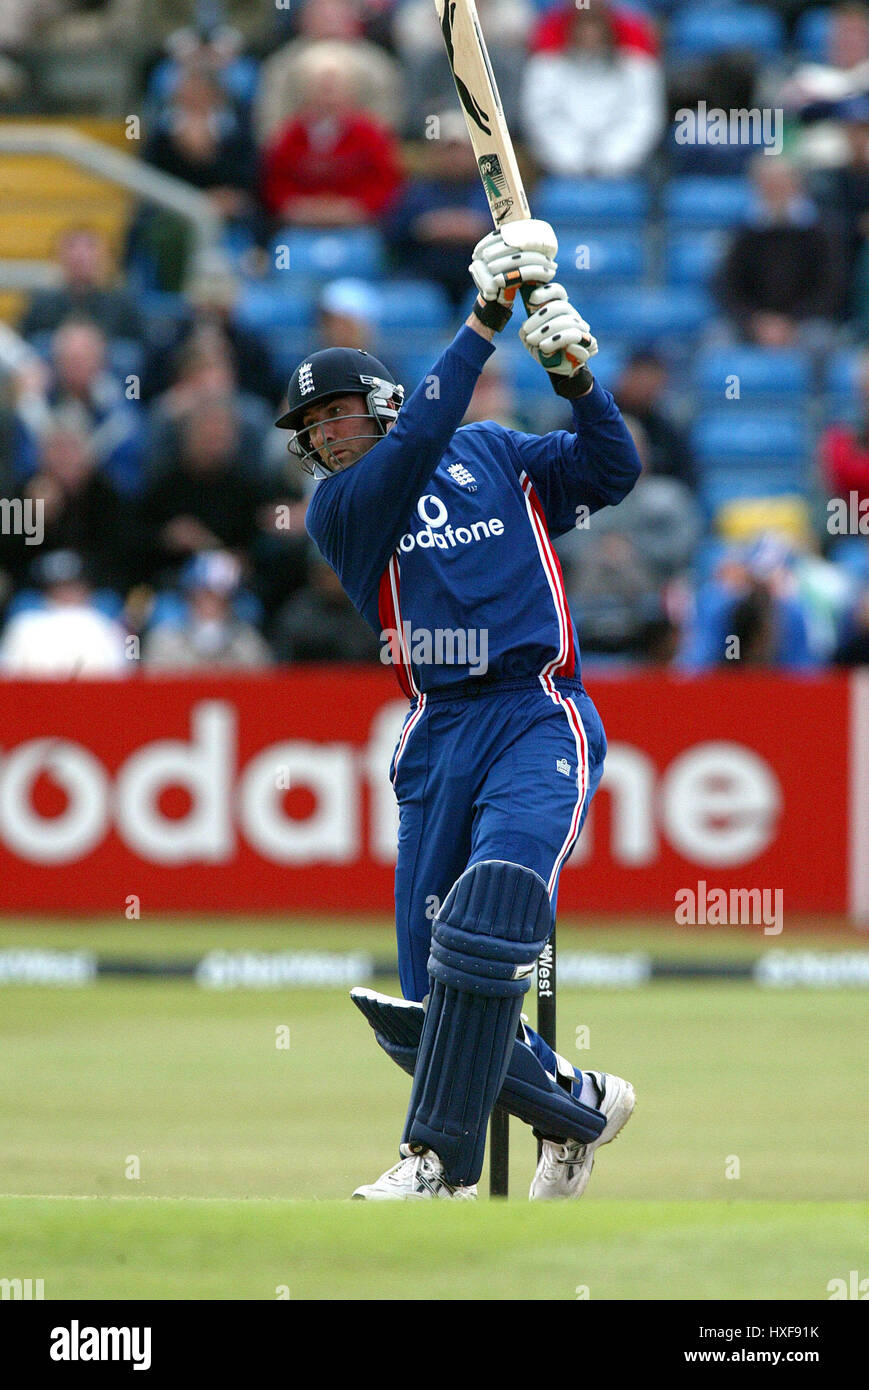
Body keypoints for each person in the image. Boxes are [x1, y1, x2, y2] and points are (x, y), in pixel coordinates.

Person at [274, 221, 641, 1200]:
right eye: (314, 429)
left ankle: (431, 1160)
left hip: (534, 712)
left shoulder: (491, 449)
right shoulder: (345, 510)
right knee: (425, 1009)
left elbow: (611, 471)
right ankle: (578, 1107)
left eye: (340, 413)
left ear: (381, 402)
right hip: (438, 735)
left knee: (487, 912)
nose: (327, 435)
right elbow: (420, 439)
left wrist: (574, 378)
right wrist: (482, 316)